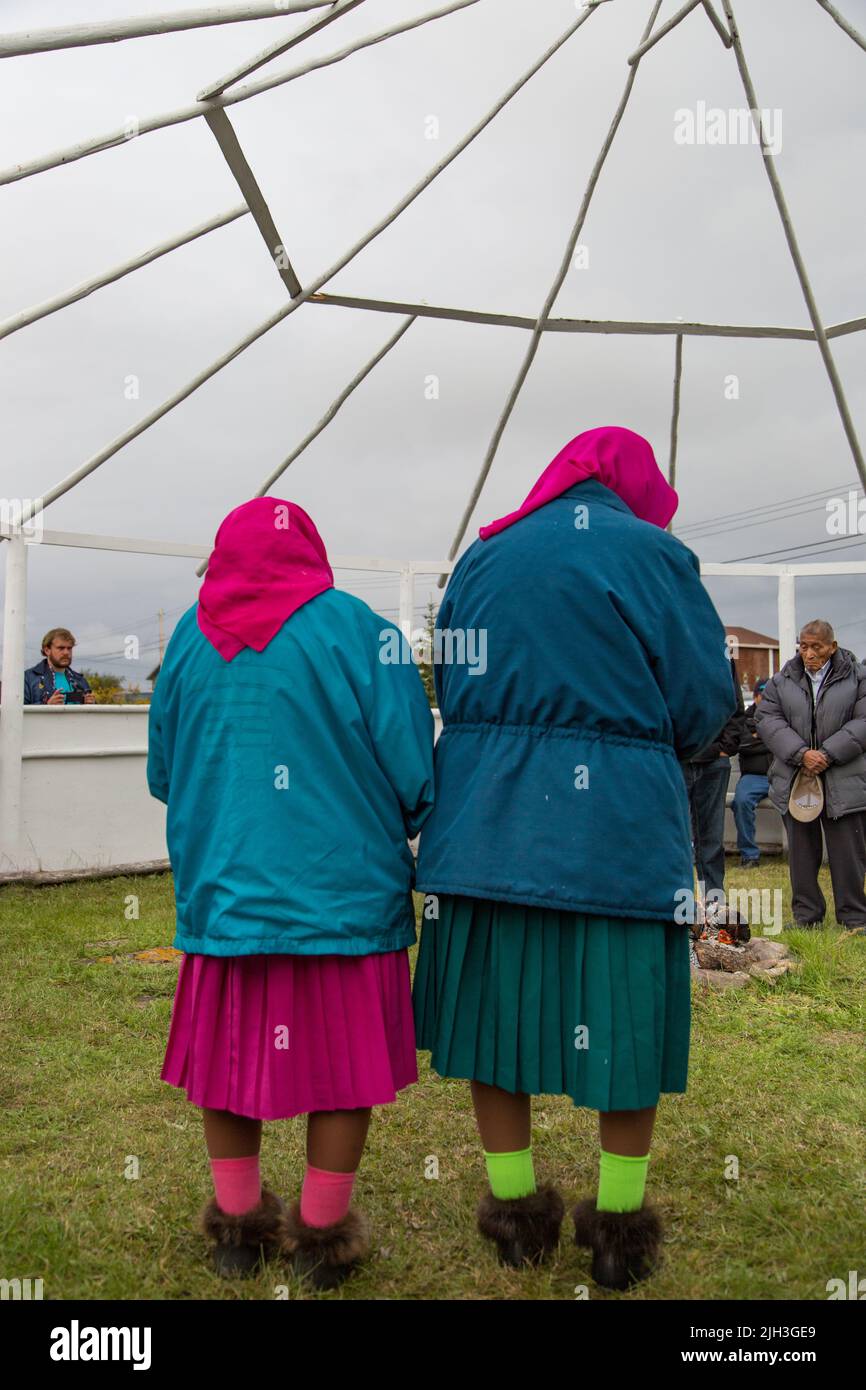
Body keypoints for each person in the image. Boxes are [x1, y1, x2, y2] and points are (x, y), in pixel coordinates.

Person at [413, 426, 736, 1290]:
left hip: (484, 829)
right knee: (624, 1028)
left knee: (491, 1027)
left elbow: (452, 679)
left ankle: (515, 1217)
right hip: (619, 837)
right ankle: (619, 1231)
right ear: (636, 485)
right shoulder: (657, 555)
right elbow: (706, 701)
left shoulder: (483, 556)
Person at [147, 497, 434, 1286]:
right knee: (342, 1069)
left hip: (225, 896)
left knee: (225, 1062)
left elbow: (163, 773)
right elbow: (414, 767)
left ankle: (237, 1229)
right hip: (345, 896)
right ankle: (322, 1234)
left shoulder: (186, 637)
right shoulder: (361, 631)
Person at [756, 620, 866, 930]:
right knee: (801, 854)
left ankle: (855, 917)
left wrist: (828, 754)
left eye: (816, 646)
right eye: (804, 646)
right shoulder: (781, 681)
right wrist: (801, 753)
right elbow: (768, 721)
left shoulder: (859, 677)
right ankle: (806, 916)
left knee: (849, 854)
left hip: (844, 779)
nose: (809, 653)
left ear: (833, 646)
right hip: (795, 778)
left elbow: (863, 722)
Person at [680, 660, 744, 901]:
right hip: (676, 761)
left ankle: (714, 905)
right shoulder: (664, 645)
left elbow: (736, 706)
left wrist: (726, 746)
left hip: (714, 761)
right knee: (676, 840)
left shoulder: (720, 655)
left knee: (712, 841)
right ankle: (677, 905)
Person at [732, 678, 771, 868]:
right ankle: (750, 856)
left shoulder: (783, 717)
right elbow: (742, 745)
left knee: (800, 803)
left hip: (780, 777)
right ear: (755, 697)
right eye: (762, 695)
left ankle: (801, 856)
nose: (765, 699)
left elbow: (786, 744)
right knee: (740, 802)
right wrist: (770, 740)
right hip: (752, 777)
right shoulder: (744, 720)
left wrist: (759, 737)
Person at [24, 628, 94, 704]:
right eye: (61, 648)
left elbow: (95, 714)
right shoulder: (28, 678)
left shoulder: (80, 680)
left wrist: (91, 705)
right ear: (47, 650)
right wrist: (46, 707)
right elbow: (18, 712)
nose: (66, 652)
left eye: (69, 648)